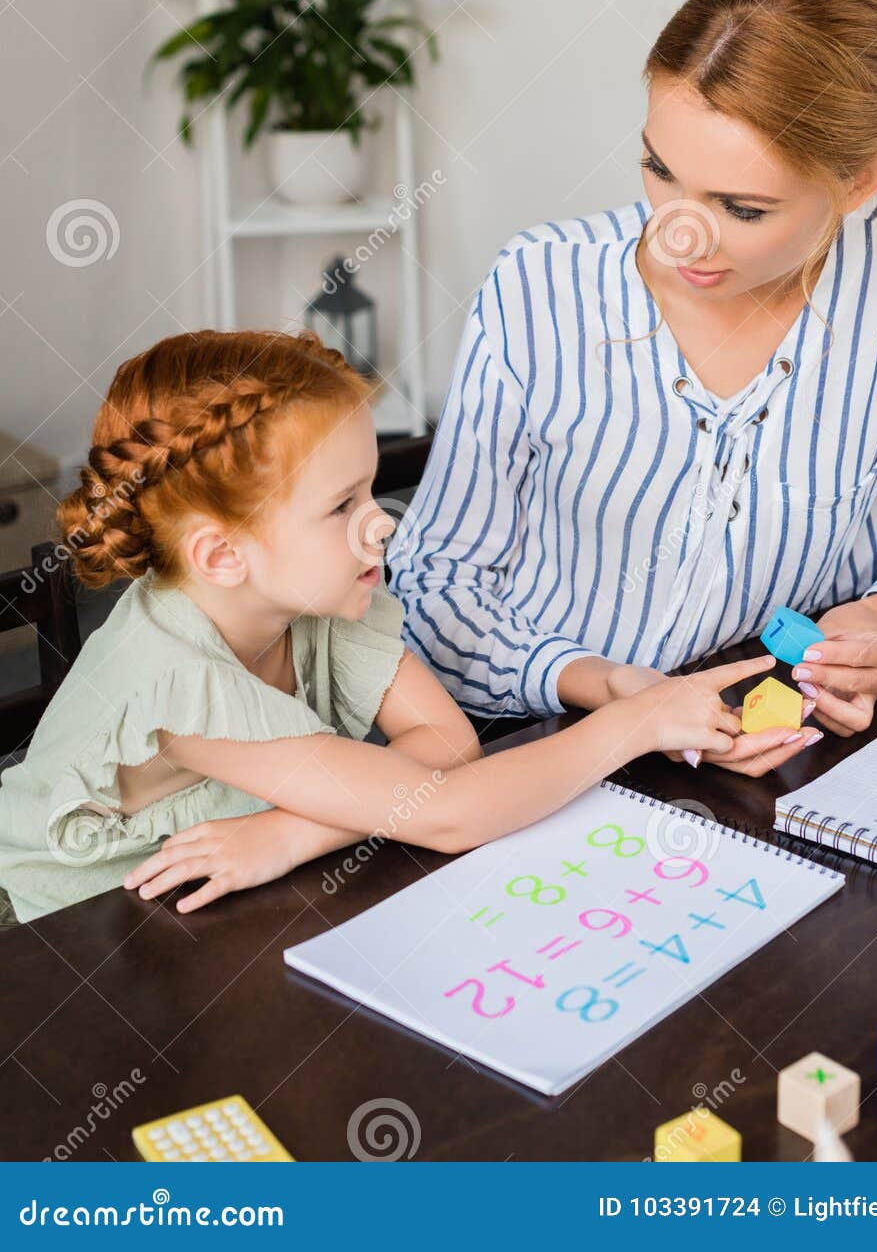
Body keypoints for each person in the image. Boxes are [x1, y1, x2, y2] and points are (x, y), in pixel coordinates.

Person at [389, 0, 877, 764]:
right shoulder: (541, 284)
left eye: (742, 208)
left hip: (764, 739)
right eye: (659, 170)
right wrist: (611, 691)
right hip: (535, 733)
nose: (681, 236)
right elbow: (434, 582)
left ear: (860, 181)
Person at [0, 329, 780, 926]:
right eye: (342, 505)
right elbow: (449, 812)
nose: (381, 524)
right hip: (64, 935)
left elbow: (448, 746)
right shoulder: (176, 683)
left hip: (203, 899)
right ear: (222, 555)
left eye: (370, 491)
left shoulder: (315, 595)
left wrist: (295, 833)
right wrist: (635, 722)